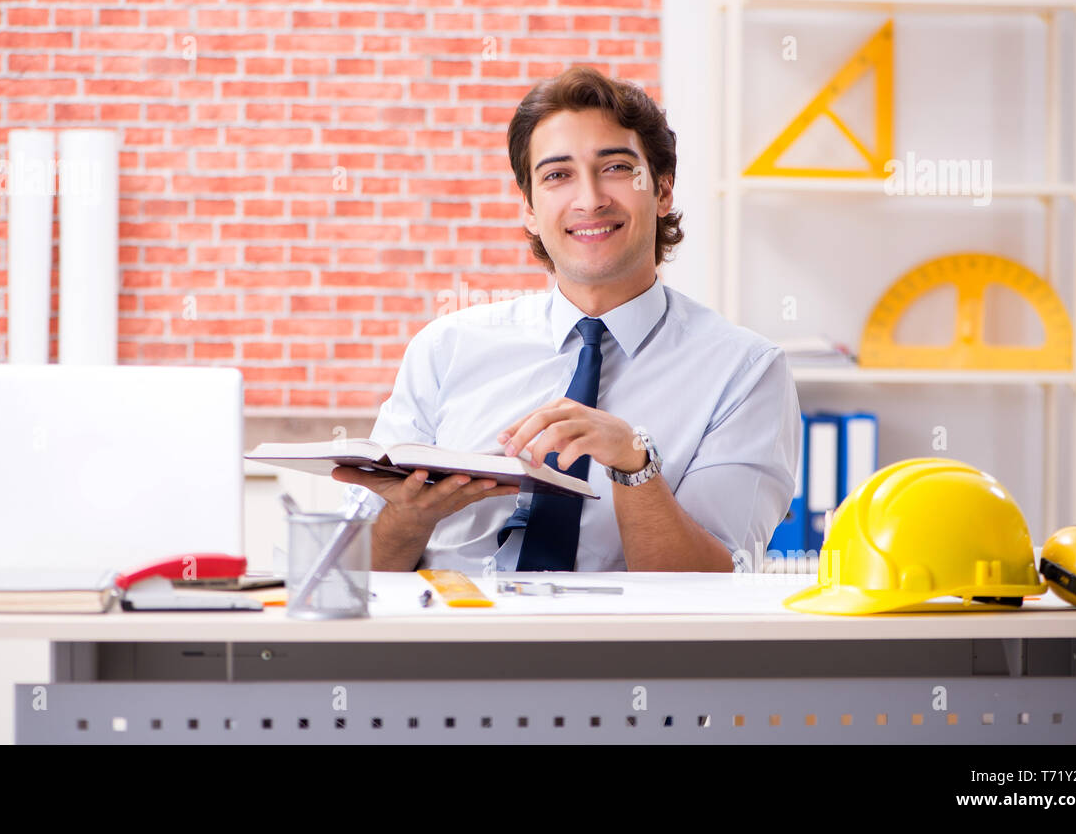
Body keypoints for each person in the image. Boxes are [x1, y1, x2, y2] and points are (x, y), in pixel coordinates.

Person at [333, 65, 801, 573]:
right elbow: (348, 578)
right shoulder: (445, 350)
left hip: (621, 630)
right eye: (557, 175)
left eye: (616, 167)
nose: (590, 199)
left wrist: (634, 466)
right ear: (530, 209)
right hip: (451, 622)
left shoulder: (745, 371)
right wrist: (409, 518)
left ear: (663, 190)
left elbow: (715, 589)